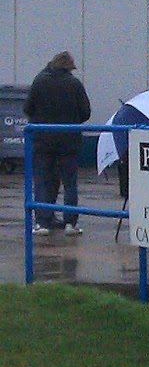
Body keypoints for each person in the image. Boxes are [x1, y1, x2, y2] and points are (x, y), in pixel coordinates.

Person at [24, 51, 92, 235]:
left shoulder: (40, 81)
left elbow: (27, 108)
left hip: (43, 140)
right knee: (69, 182)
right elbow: (86, 112)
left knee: (43, 181)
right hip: (69, 141)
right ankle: (70, 223)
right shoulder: (74, 84)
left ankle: (43, 223)